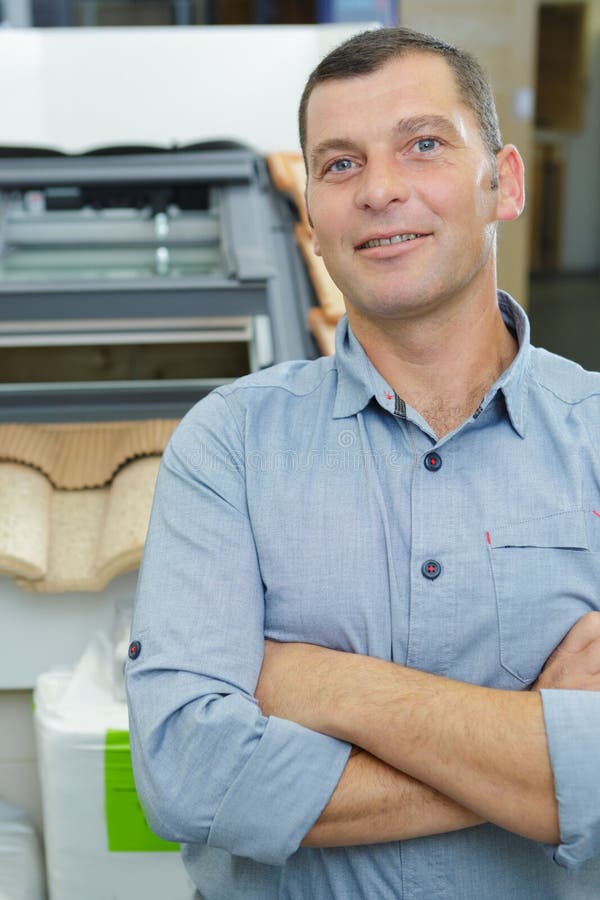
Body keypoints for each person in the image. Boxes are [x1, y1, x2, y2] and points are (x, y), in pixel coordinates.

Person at [126, 26, 600, 899]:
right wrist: (540, 763)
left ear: (505, 182)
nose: (381, 190)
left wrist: (321, 684)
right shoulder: (227, 445)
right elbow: (188, 776)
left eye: (424, 145)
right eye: (340, 165)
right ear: (311, 218)